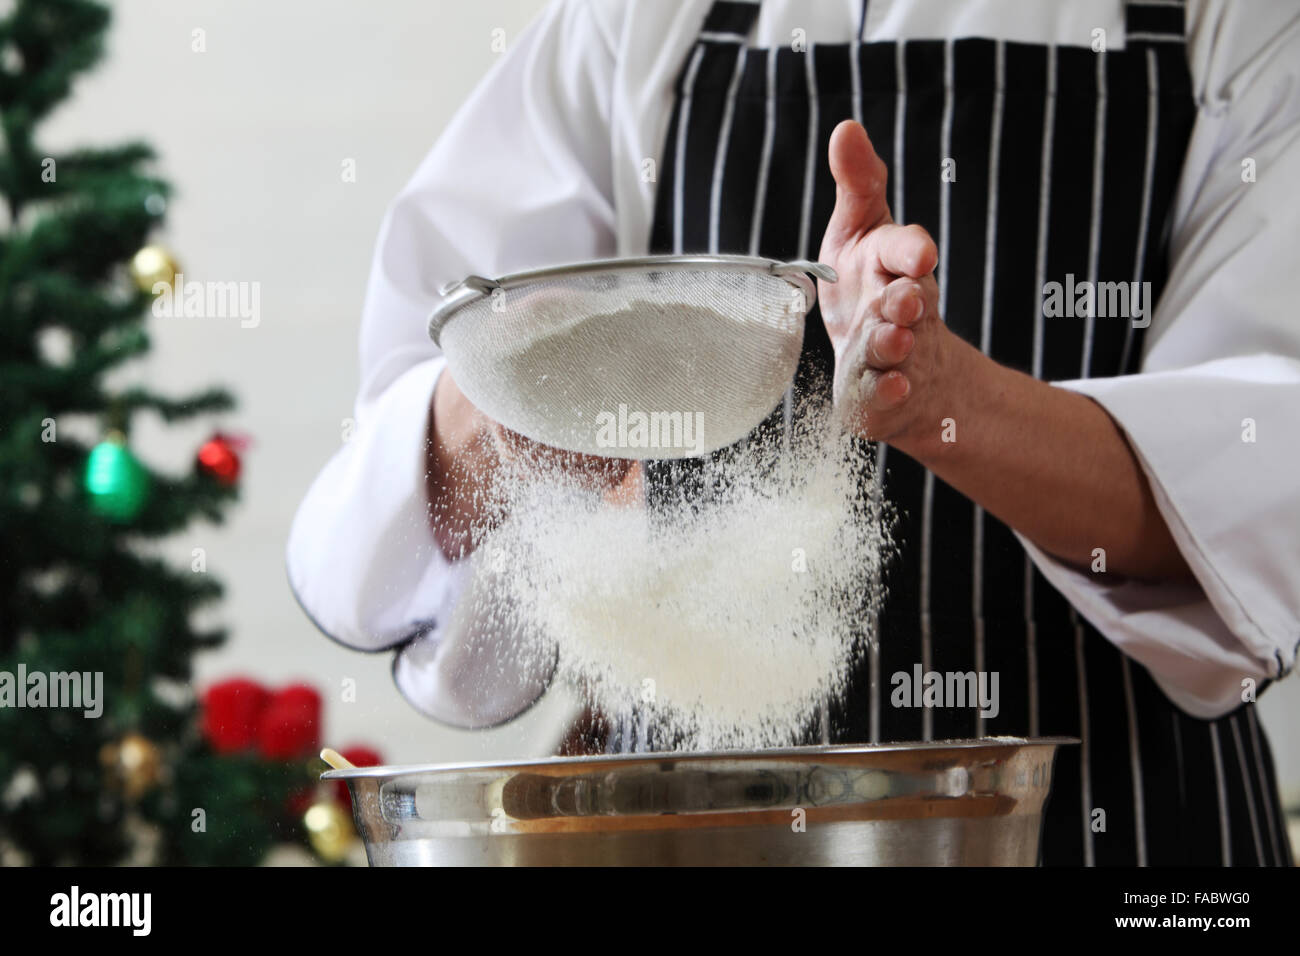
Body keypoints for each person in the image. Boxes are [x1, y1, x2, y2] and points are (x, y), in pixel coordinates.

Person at [288, 0, 1299, 865]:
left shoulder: (1238, 25)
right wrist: (493, 415)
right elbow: (385, 487)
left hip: (1124, 830)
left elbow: (1259, 476)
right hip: (688, 835)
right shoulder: (643, 21)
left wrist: (944, 399)